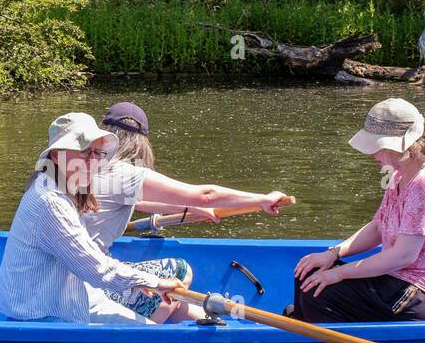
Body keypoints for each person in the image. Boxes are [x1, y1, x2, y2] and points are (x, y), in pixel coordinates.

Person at [82, 101, 290, 321]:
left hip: (87, 276)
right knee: (179, 270)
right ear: (140, 143)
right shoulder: (124, 174)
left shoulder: (86, 169)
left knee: (181, 307)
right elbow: (206, 194)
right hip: (96, 285)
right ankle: (148, 328)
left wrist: (193, 208)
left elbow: (142, 203)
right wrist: (262, 200)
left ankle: (219, 330)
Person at [0, 112, 191, 325]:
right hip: (40, 313)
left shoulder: (56, 185)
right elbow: (96, 269)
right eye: (85, 152)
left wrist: (144, 283)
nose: (93, 160)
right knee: (150, 340)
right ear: (57, 155)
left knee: (153, 330)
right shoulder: (51, 202)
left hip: (65, 298)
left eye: (98, 153)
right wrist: (155, 282)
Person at [291, 98, 425, 322]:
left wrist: (338, 273)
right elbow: (377, 227)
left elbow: (403, 256)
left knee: (319, 294)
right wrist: (332, 254)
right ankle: (304, 333)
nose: (372, 154)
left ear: (404, 145)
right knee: (308, 275)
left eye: (378, 147)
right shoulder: (398, 174)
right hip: (396, 279)